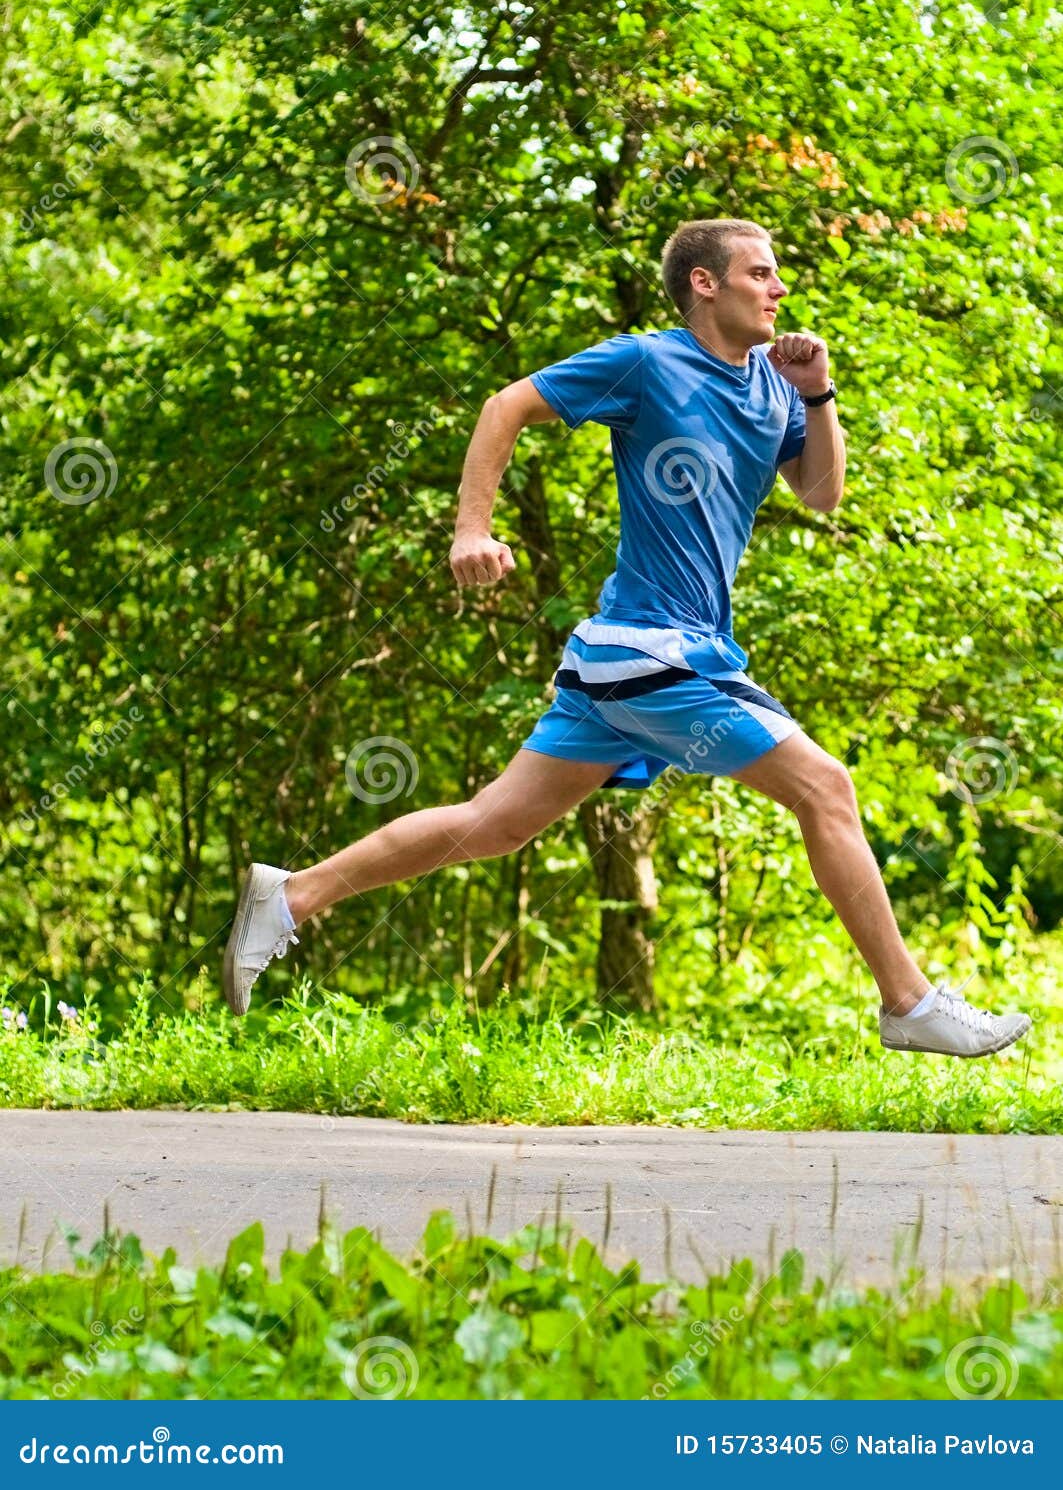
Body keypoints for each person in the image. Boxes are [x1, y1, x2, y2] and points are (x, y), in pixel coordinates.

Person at [222, 217, 1031, 1059]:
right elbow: (507, 405)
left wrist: (817, 393)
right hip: (648, 654)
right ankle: (906, 1002)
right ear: (704, 285)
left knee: (495, 824)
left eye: (777, 273)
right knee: (823, 787)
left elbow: (821, 493)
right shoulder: (646, 363)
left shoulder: (769, 384)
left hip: (642, 661)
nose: (779, 289)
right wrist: (471, 529)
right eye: (760, 273)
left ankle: (292, 896)